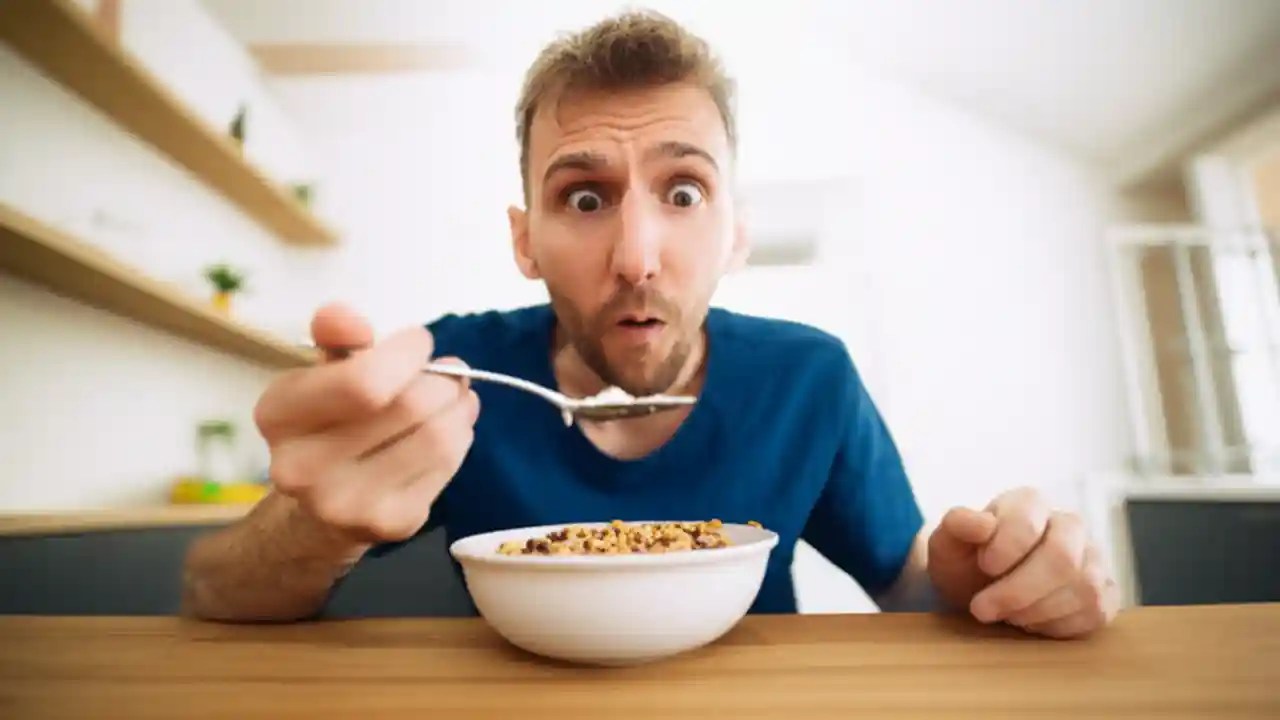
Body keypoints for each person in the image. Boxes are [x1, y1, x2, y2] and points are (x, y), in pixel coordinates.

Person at [183, 10, 1119, 638]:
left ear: (736, 235)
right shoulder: (454, 381)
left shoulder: (809, 380)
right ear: (526, 241)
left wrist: (989, 574)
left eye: (682, 190)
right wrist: (312, 526)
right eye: (585, 197)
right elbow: (212, 590)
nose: (636, 254)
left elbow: (907, 588)